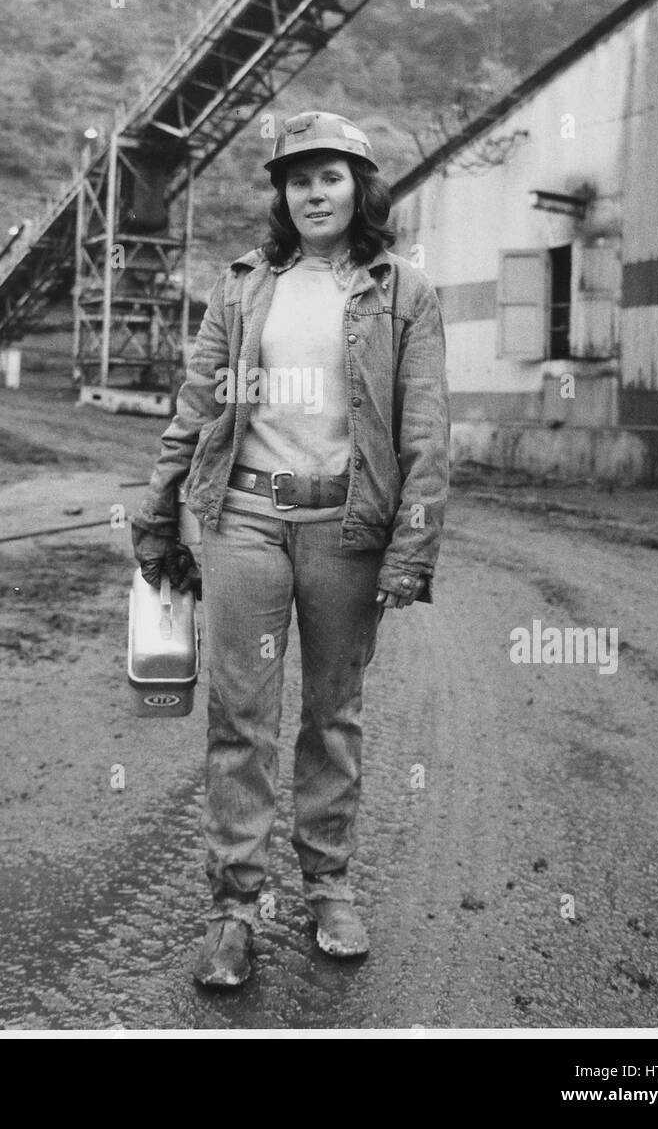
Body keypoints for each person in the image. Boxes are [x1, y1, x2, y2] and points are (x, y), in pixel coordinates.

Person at [130, 110, 449, 987]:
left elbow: (426, 430)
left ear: (359, 188)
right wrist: (159, 505)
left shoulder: (403, 291)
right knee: (239, 717)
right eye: (297, 178)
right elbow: (198, 405)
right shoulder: (241, 287)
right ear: (281, 193)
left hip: (347, 527)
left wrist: (412, 546)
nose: (314, 191)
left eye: (331, 176)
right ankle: (235, 911)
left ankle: (329, 889)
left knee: (332, 715)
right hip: (246, 520)